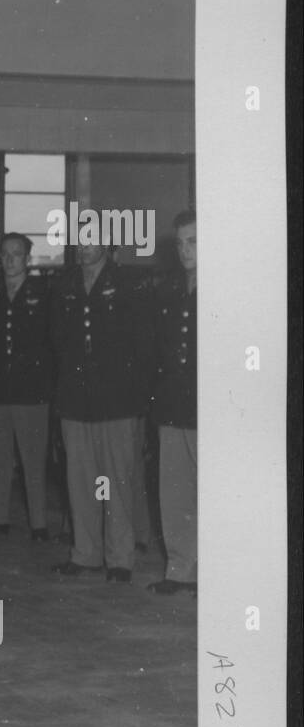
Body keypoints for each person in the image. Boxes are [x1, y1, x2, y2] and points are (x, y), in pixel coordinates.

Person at [50, 236, 154, 583]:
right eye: (80, 242)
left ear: (108, 245)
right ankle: (86, 553)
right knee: (81, 480)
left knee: (117, 479)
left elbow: (142, 342)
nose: (84, 248)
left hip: (117, 399)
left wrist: (138, 396)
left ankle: (120, 558)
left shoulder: (128, 283)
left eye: (92, 241)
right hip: (75, 398)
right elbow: (56, 342)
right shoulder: (64, 284)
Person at [0, 232, 55, 538]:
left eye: (16, 254)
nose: (9, 260)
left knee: (33, 460)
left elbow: (51, 342)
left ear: (28, 259)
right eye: (4, 255)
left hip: (32, 392)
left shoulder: (43, 294)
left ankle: (38, 523)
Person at [149, 211, 197, 596]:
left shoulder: (229, 291)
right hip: (171, 405)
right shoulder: (169, 289)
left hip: (207, 408)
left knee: (209, 491)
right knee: (174, 490)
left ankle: (212, 571)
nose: (184, 251)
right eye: (180, 243)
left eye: (192, 242)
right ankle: (179, 569)